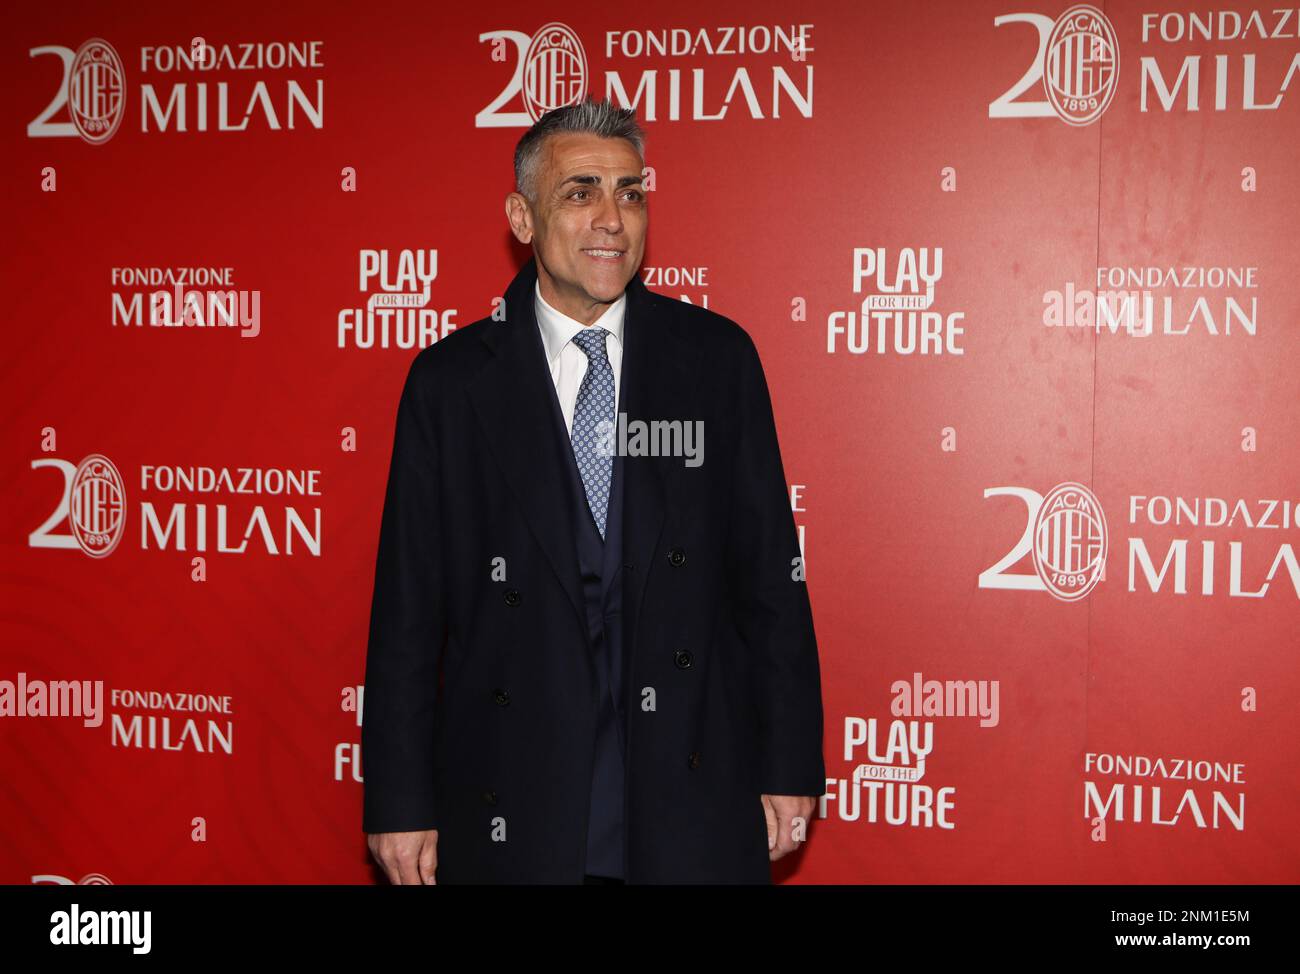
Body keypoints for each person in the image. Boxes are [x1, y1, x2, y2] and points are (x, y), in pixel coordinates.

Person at [361, 97, 825, 884]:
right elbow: (408, 612)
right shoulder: (449, 385)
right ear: (522, 215)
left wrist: (788, 760)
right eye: (580, 193)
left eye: (631, 193)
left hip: (685, 788)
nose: (612, 219)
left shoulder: (716, 362)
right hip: (514, 795)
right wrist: (400, 799)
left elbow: (770, 585)